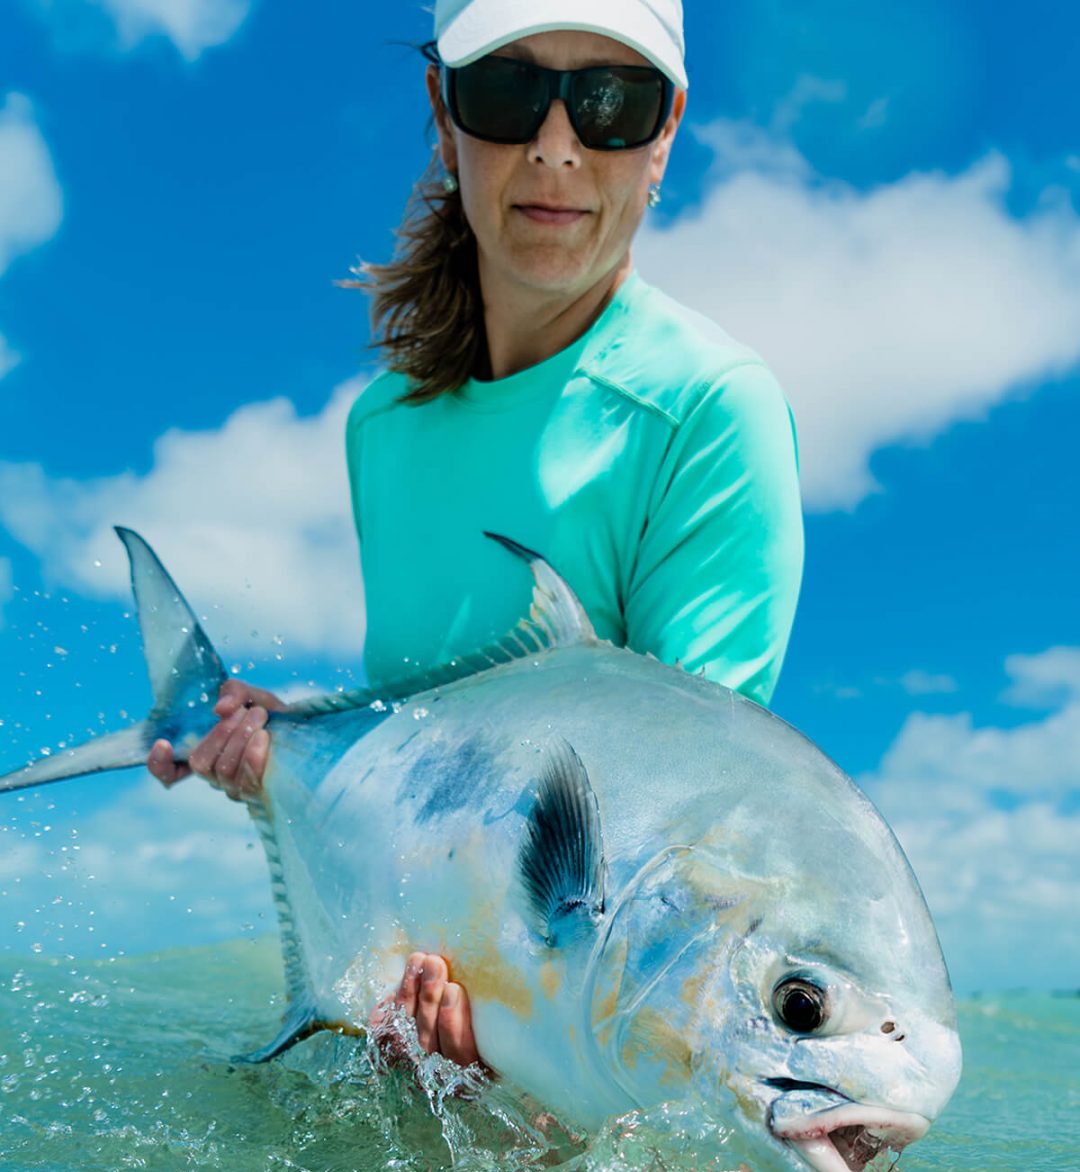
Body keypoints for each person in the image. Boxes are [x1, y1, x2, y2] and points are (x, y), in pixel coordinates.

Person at [148, 0, 803, 1073]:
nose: (555, 146)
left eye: (610, 102)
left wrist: (519, 1052)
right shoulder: (384, 424)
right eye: (506, 92)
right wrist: (289, 738)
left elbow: (678, 831)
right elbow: (430, 726)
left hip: (596, 1035)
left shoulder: (709, 411)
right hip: (427, 1021)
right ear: (443, 113)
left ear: (666, 130)